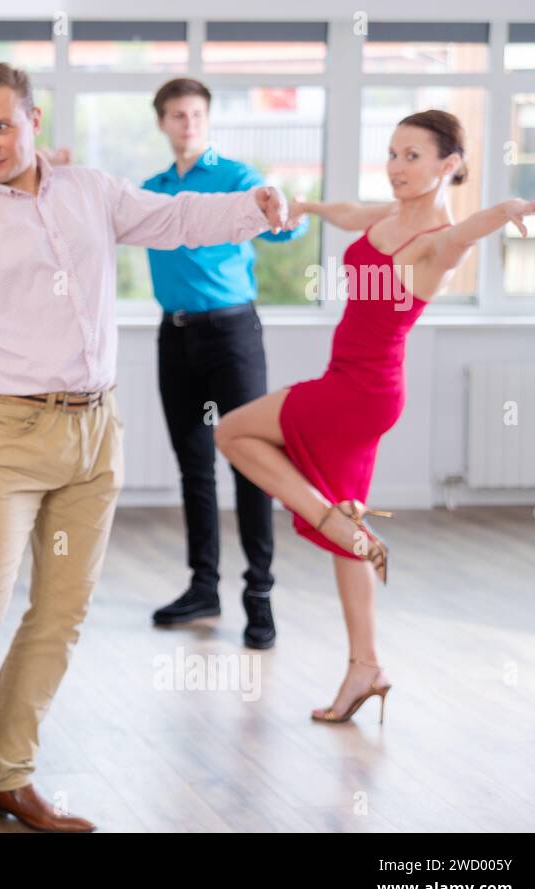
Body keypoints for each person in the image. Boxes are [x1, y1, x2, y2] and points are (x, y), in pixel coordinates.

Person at [0, 63, 293, 833]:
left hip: (95, 434)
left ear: (33, 119)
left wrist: (253, 208)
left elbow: (172, 219)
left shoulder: (91, 190)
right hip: (5, 437)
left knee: (61, 614)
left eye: (1, 126)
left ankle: (3, 774)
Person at [215, 110, 535, 723]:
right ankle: (364, 667)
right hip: (351, 380)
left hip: (362, 390)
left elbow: (466, 233)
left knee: (233, 430)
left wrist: (506, 206)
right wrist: (311, 207)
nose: (397, 167)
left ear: (448, 166)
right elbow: (353, 213)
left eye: (413, 157)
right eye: (394, 154)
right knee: (348, 534)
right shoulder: (390, 216)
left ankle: (332, 521)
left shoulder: (435, 241)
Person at [143, 78, 308, 650]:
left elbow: (287, 223)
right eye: (177, 115)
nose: (188, 123)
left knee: (251, 462)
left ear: (207, 120)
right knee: (194, 466)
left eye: (196, 114)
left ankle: (258, 597)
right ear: (163, 123)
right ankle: (203, 588)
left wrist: (285, 214)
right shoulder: (153, 190)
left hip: (231, 334)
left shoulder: (239, 179)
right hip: (175, 336)